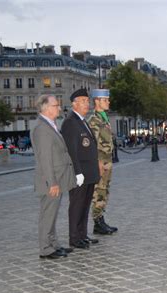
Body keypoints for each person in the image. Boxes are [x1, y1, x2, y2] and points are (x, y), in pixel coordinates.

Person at [30, 95, 76, 259]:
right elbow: (45, 159)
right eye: (56, 105)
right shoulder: (42, 129)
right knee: (47, 214)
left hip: (57, 178)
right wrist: (52, 182)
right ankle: (46, 249)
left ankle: (54, 244)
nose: (58, 107)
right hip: (50, 180)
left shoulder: (50, 125)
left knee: (52, 214)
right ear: (46, 108)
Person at [61, 88, 100, 249]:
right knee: (77, 204)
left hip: (89, 171)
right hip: (80, 172)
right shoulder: (70, 122)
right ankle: (74, 237)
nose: (87, 104)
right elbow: (72, 150)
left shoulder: (82, 121)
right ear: (74, 104)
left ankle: (82, 234)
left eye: (87, 100)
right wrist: (77, 172)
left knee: (84, 204)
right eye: (83, 101)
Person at [88, 89, 118, 235]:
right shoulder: (94, 121)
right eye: (105, 100)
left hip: (107, 160)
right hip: (101, 161)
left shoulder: (103, 118)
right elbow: (92, 144)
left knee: (105, 190)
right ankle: (97, 222)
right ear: (97, 101)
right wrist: (98, 162)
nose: (108, 102)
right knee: (99, 191)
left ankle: (101, 219)